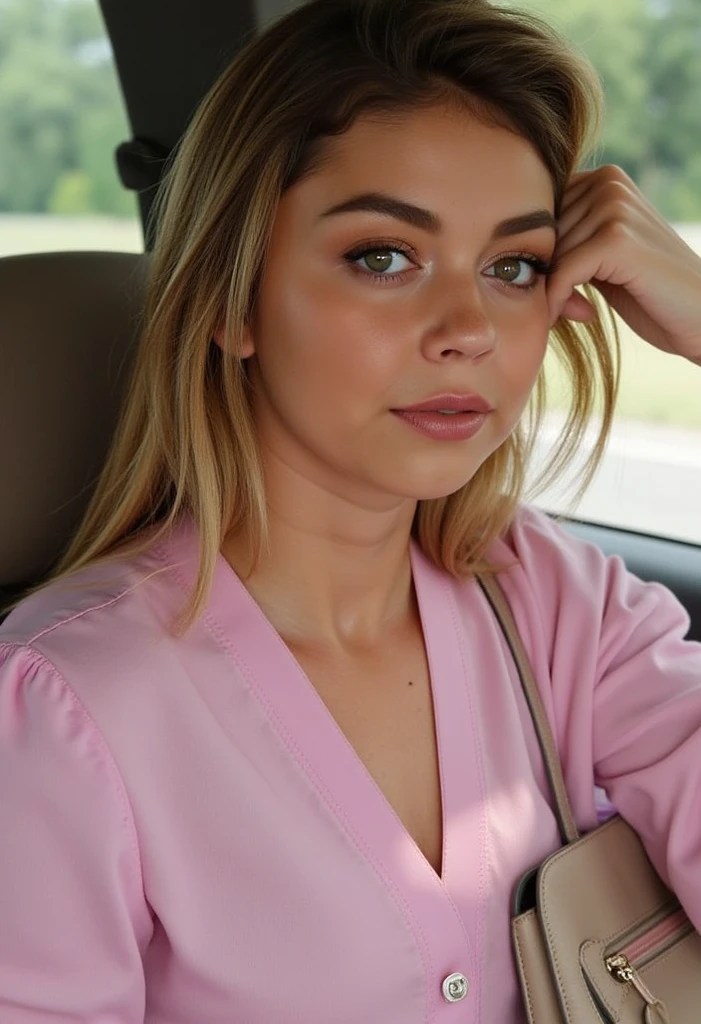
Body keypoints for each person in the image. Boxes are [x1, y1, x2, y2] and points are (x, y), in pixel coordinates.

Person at [1, 0, 700, 1019]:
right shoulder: (65, 709)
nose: (467, 327)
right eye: (384, 256)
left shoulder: (559, 606)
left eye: (513, 266)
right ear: (232, 300)